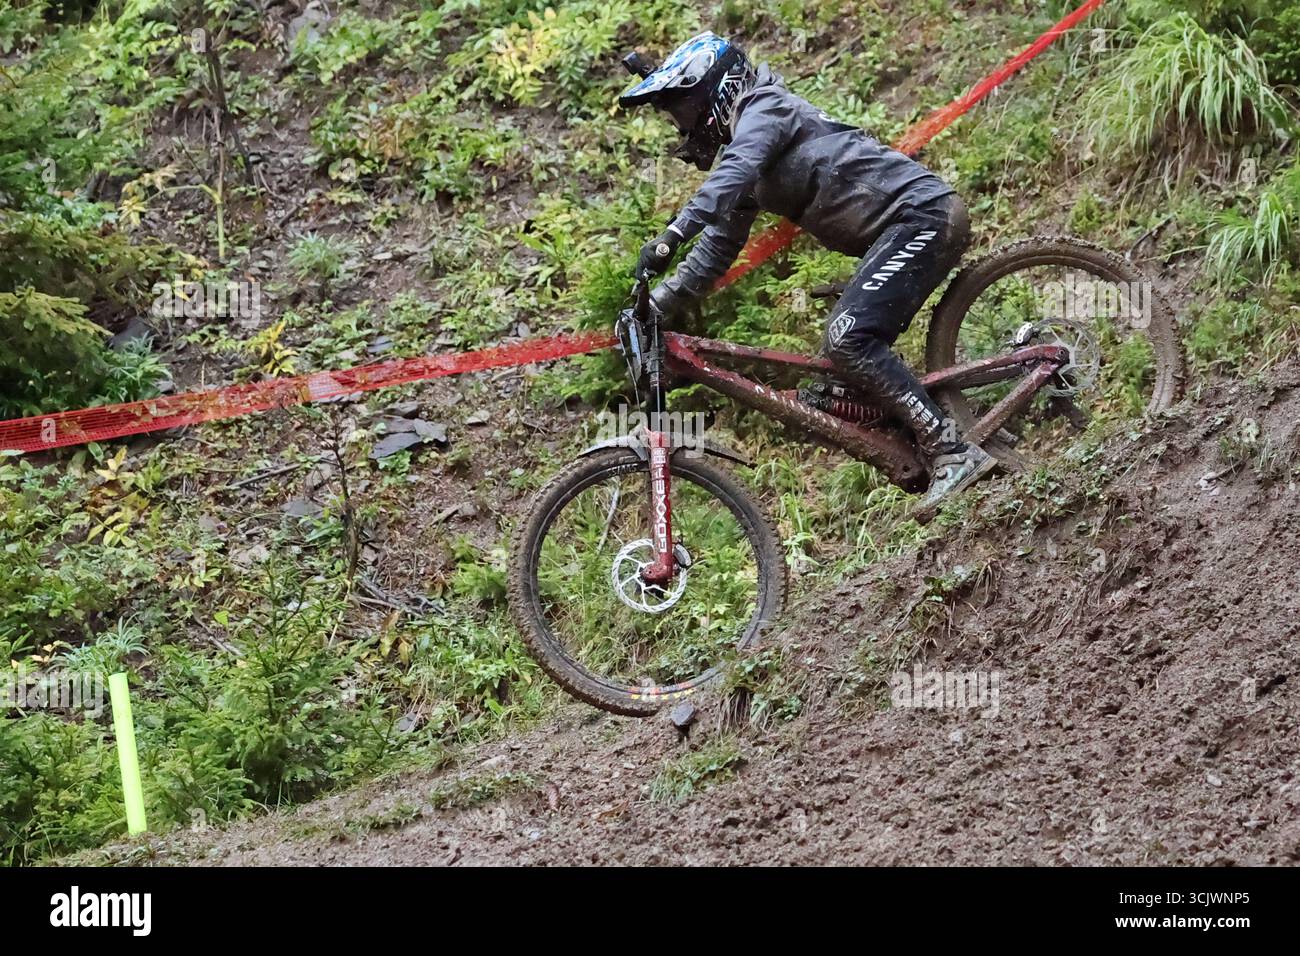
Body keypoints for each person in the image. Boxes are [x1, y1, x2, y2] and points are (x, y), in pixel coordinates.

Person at [619, 31, 996, 515]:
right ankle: (916, 426)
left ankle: (951, 450)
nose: (683, 129)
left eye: (683, 113)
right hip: (899, 232)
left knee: (846, 338)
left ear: (715, 90)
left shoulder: (765, 110)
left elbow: (731, 172)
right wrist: (653, 305)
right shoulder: (750, 160)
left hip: (921, 217)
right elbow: (715, 250)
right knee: (828, 389)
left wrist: (671, 234)